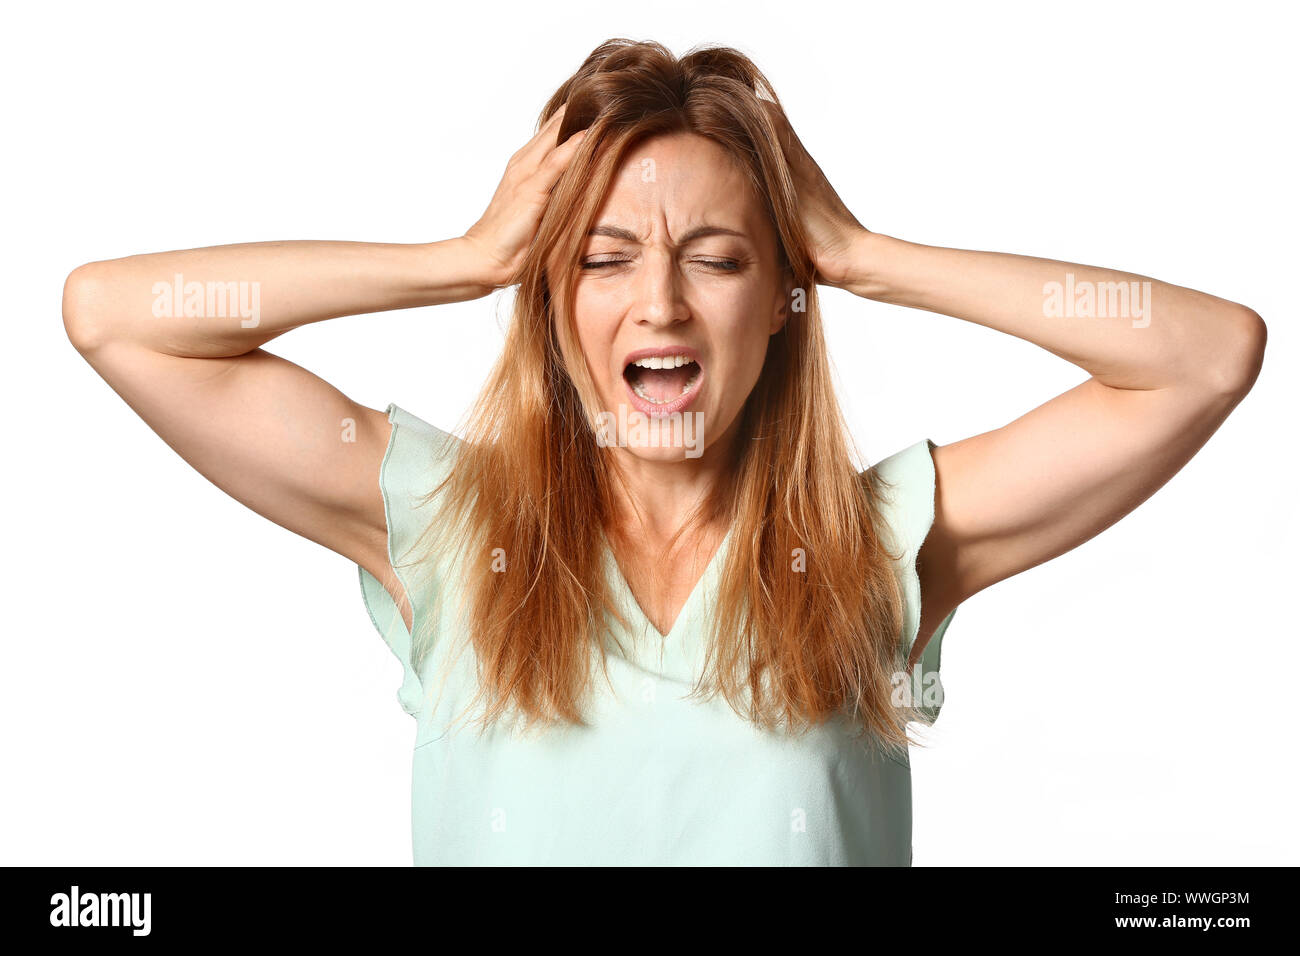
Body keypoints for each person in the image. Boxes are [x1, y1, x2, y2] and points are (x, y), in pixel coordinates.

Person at [62, 38, 1266, 865]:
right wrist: (461, 260)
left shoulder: (881, 541)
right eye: (602, 256)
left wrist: (858, 252)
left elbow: (1204, 355)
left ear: (781, 300)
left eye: (719, 257)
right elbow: (118, 316)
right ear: (550, 300)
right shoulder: (446, 524)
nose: (661, 304)